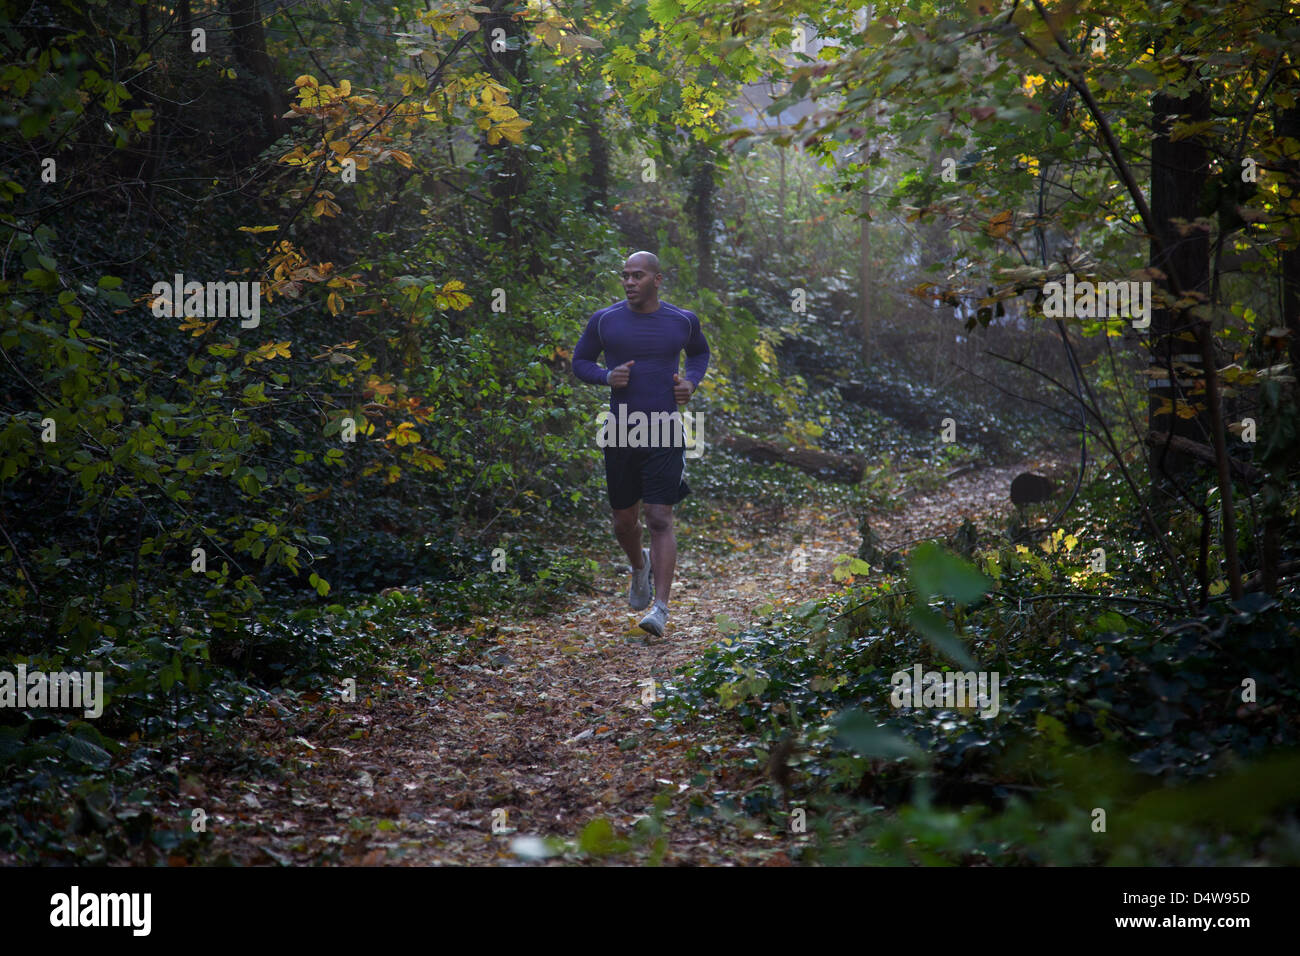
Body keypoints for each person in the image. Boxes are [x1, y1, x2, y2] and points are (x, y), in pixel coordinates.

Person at [571, 251, 710, 637]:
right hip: (620, 430)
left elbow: (700, 353)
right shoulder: (605, 320)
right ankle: (638, 565)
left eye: (637, 276)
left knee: (659, 517)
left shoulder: (682, 321)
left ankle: (661, 610)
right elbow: (580, 361)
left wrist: (691, 383)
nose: (629, 282)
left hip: (665, 428)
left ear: (657, 279)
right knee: (623, 521)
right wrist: (605, 376)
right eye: (625, 276)